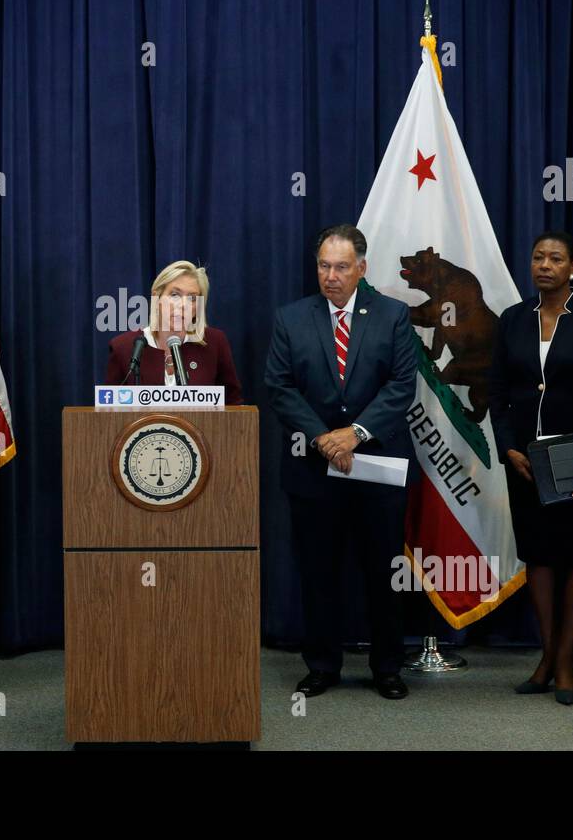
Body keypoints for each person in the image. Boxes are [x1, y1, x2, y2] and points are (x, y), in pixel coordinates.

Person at [265, 225, 418, 700]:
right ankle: (323, 666)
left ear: (362, 269)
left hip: (379, 470)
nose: (330, 276)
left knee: (382, 573)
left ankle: (387, 667)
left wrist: (355, 434)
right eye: (323, 267)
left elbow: (401, 385)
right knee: (318, 573)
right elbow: (280, 387)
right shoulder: (291, 318)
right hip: (314, 471)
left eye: (341, 267)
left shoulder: (393, 315)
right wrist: (324, 439)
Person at [488, 230, 573, 706]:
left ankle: (565, 662)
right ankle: (547, 657)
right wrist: (506, 448)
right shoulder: (512, 320)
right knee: (539, 558)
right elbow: (496, 393)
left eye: (556, 258)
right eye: (538, 256)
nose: (545, 264)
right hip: (525, 463)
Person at [105, 260, 244, 403]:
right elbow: (109, 414)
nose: (183, 305)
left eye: (192, 298)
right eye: (175, 295)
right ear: (156, 298)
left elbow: (233, 406)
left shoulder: (215, 343)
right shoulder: (124, 347)